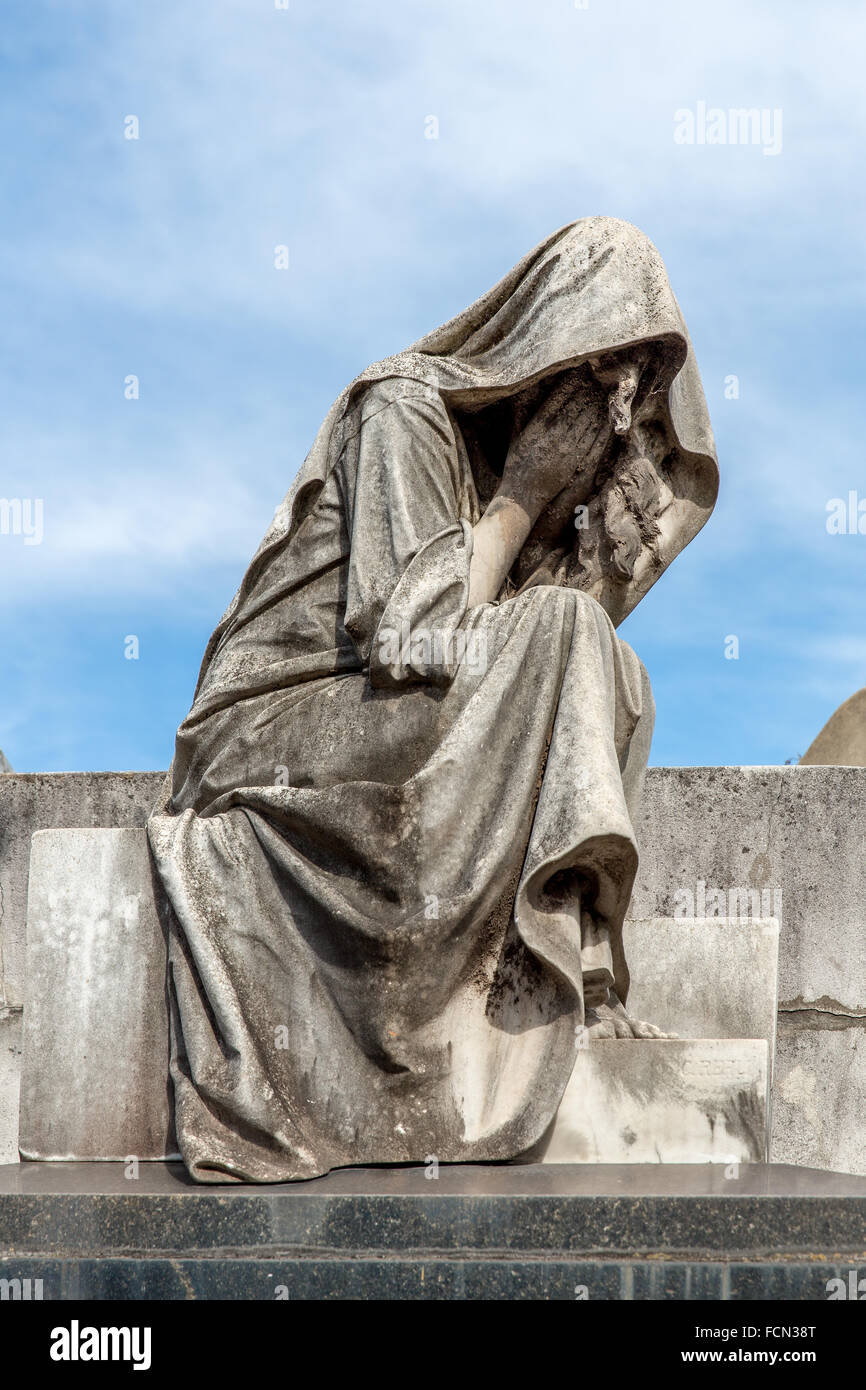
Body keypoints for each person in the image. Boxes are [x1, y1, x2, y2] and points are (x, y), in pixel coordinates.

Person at [148, 216, 719, 1182]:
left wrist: (583, 533)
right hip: (275, 722)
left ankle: (562, 970)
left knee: (617, 669)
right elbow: (410, 642)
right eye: (602, 373)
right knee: (567, 634)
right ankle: (532, 986)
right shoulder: (405, 410)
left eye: (635, 388)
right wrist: (522, 498)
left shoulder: (528, 474)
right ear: (550, 342)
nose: (615, 410)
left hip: (391, 716)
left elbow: (537, 683)